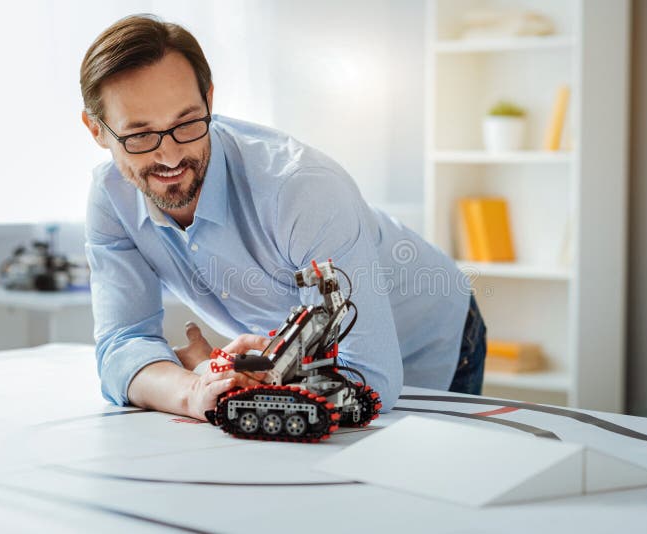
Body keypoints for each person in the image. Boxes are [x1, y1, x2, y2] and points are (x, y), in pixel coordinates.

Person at [80, 14, 486, 422]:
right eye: (140, 135)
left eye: (186, 123)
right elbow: (122, 344)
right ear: (97, 130)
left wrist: (214, 370)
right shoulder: (111, 198)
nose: (169, 156)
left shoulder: (300, 189)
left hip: (428, 334)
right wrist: (193, 390)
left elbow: (368, 376)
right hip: (313, 362)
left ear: (209, 100)